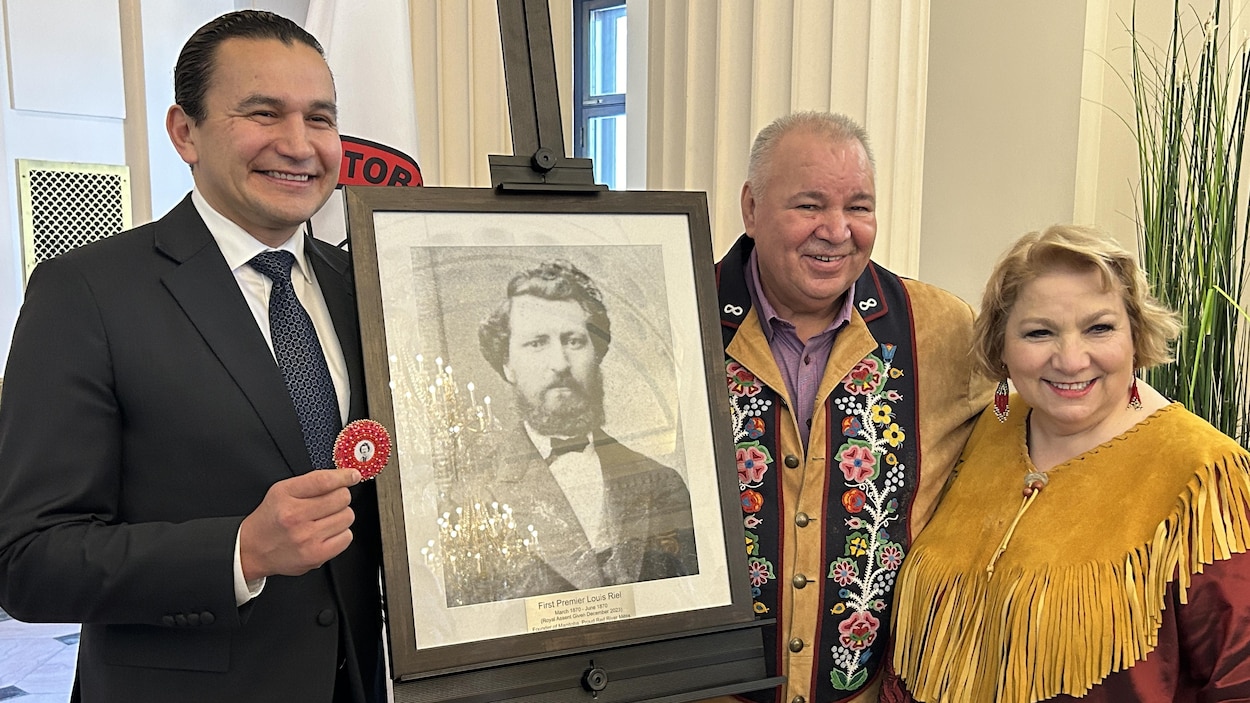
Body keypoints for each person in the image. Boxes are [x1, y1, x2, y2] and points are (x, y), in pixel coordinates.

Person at [0, 11, 382, 703]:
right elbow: (27, 558)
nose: (299, 145)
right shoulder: (84, 293)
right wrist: (240, 550)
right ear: (185, 132)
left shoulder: (369, 290)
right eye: (264, 113)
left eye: (320, 119)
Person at [701, 111, 993, 703]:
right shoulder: (680, 315)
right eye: (809, 205)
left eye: (858, 207)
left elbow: (1034, 435)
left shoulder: (939, 327)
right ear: (751, 208)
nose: (837, 230)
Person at [888, 225, 1250, 702]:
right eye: (1040, 332)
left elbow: (1236, 679)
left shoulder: (1204, 473)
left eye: (1099, 328)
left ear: (1136, 334)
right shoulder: (982, 433)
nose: (1071, 359)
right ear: (1001, 347)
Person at [441, 258, 697, 605]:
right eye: (536, 343)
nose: (560, 363)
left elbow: (692, 603)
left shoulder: (662, 483)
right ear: (507, 365)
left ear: (598, 353)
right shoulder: (470, 498)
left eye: (574, 341)